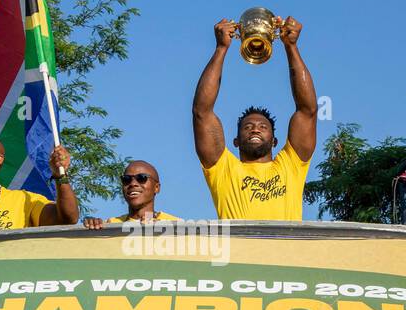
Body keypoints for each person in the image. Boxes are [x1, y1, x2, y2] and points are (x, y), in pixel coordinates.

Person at [192, 15, 318, 220]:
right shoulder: (224, 169)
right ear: (235, 141)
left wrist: (291, 47)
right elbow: (201, 112)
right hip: (240, 252)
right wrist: (221, 49)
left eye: (263, 126)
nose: (255, 129)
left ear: (275, 141)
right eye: (247, 126)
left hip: (286, 252)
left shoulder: (290, 165)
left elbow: (308, 111)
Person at [82, 160, 182, 229]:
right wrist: (90, 227)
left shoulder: (176, 224)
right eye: (126, 179)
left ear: (156, 187)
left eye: (141, 178)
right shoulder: (109, 225)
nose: (133, 183)